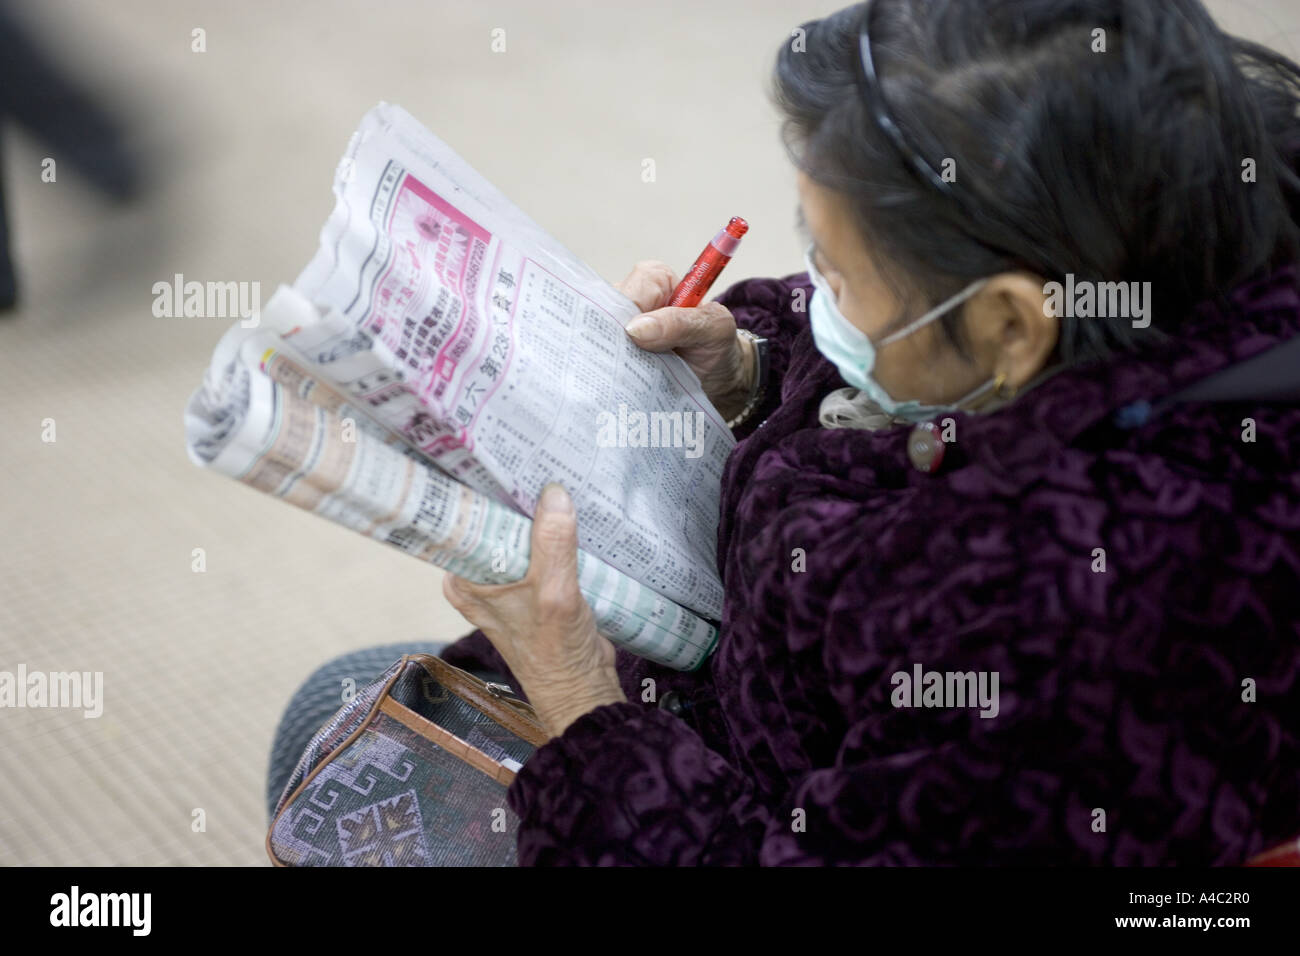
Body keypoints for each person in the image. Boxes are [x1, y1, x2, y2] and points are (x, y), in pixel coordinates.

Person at [269, 0, 1300, 864]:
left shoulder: (1077, 620)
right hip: (724, 701)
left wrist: (580, 703)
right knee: (335, 715)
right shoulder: (1147, 240)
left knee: (331, 734)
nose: (817, 290)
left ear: (1009, 326)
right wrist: (749, 371)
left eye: (838, 273)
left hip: (701, 792)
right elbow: (899, 378)